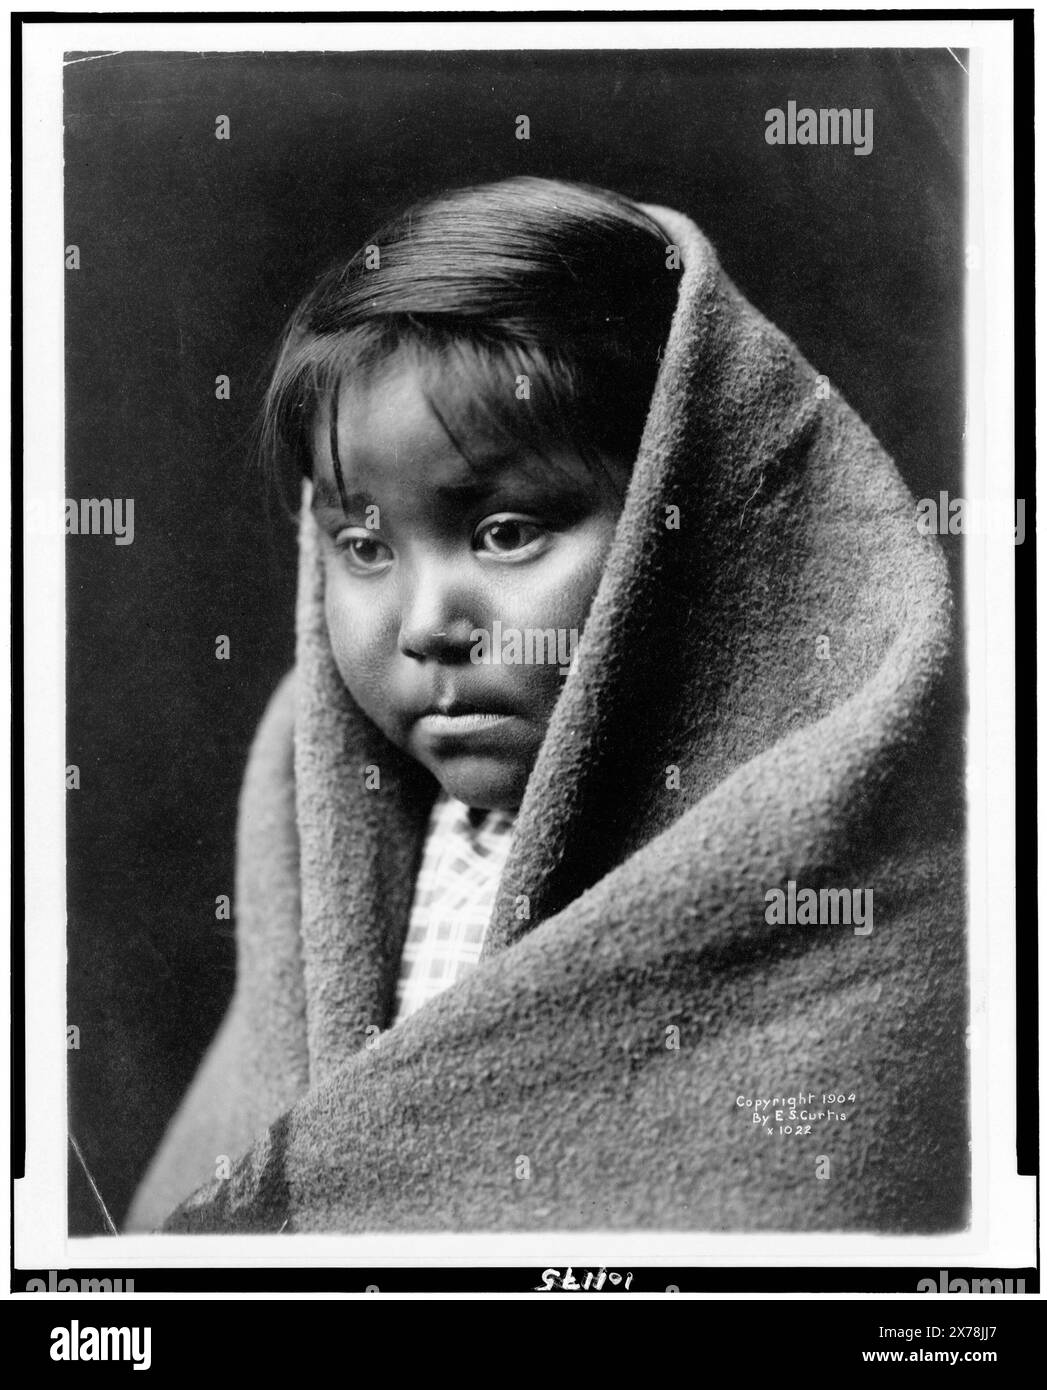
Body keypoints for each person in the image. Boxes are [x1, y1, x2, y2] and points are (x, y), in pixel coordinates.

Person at [127, 176, 968, 1234]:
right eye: (365, 545)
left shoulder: (835, 856)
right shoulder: (324, 821)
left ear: (688, 520)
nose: (429, 620)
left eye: (508, 531)